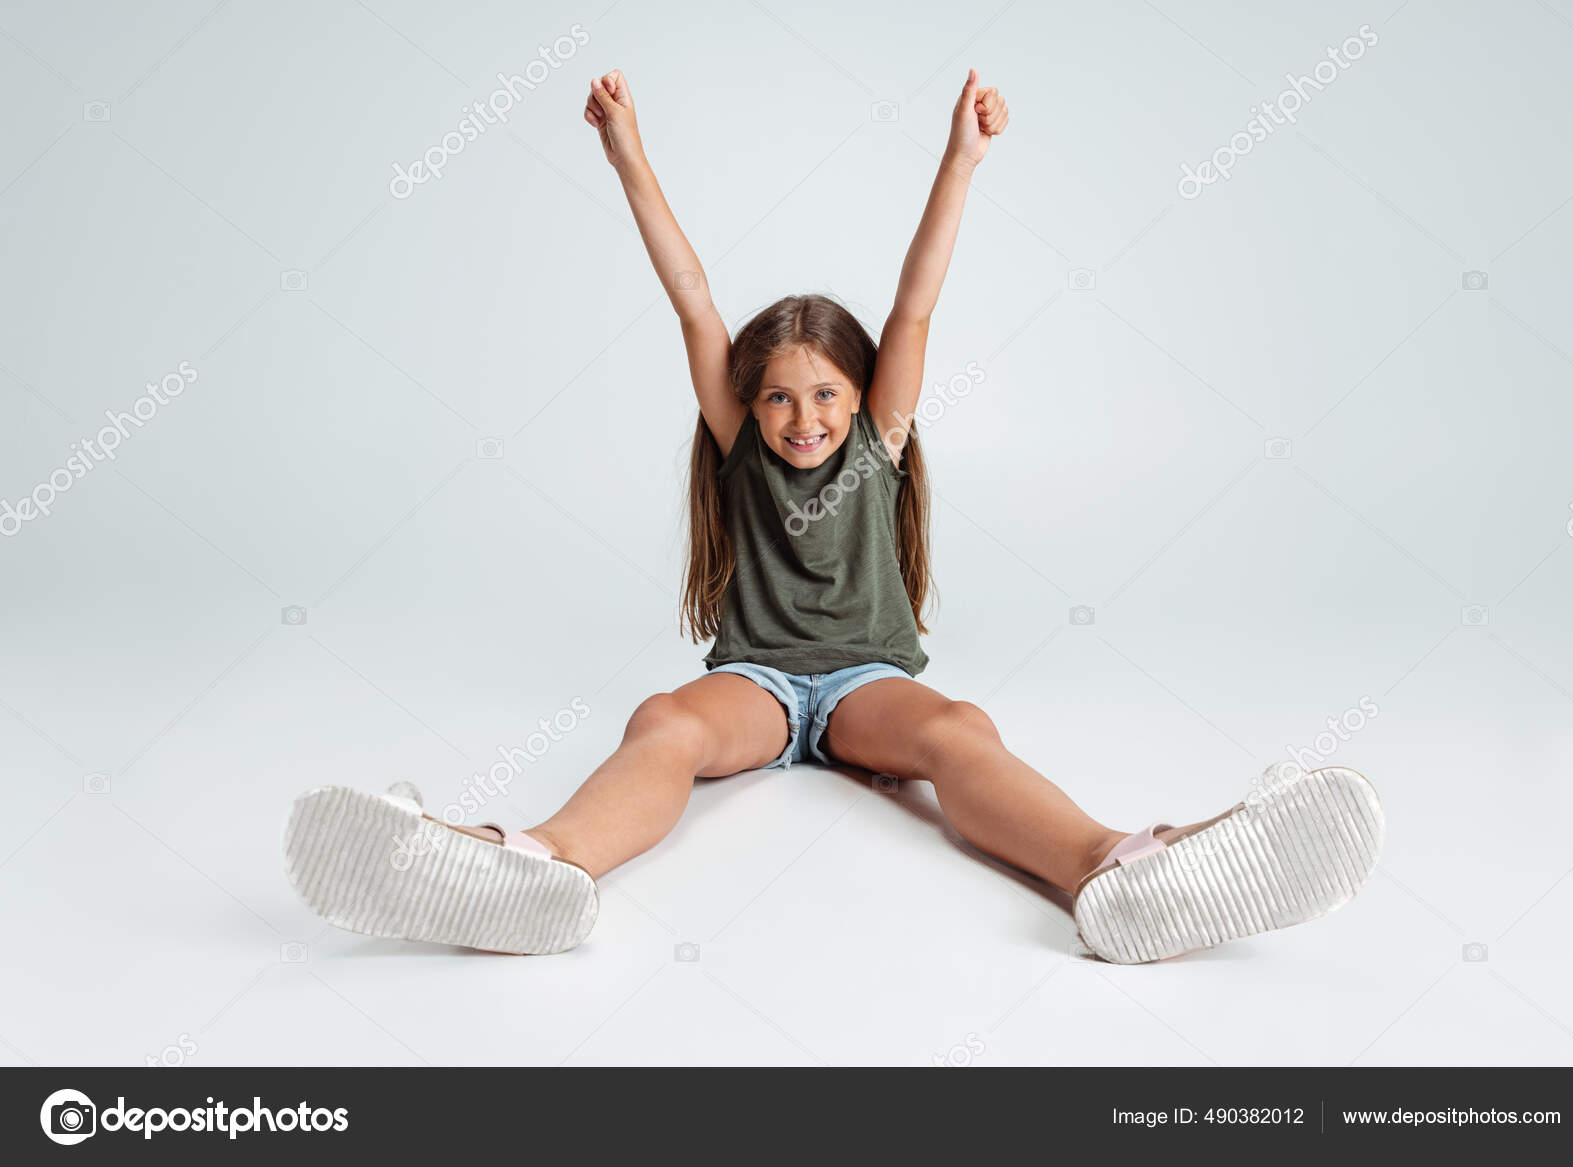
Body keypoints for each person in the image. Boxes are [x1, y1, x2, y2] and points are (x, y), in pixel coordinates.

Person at [284, 68, 1383, 964]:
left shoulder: (879, 446)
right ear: (745, 405)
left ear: (863, 399)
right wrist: (625, 153)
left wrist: (960, 159)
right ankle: (535, 860)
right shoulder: (738, 453)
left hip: (865, 686)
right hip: (757, 684)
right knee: (664, 720)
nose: (800, 418)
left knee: (956, 732)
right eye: (775, 396)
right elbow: (693, 296)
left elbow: (914, 299)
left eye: (822, 395)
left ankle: (1114, 862)